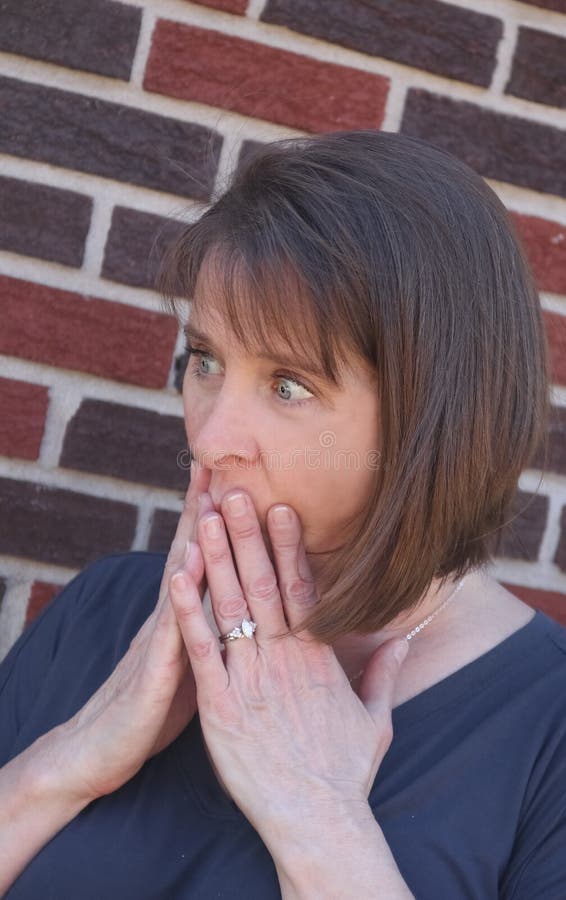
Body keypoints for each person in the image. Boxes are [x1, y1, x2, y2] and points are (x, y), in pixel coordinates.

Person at [0, 130, 565, 900]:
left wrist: (322, 824)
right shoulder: (107, 613)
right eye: (205, 361)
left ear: (436, 420)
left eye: (288, 385)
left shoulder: (547, 733)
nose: (210, 439)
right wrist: (67, 762)